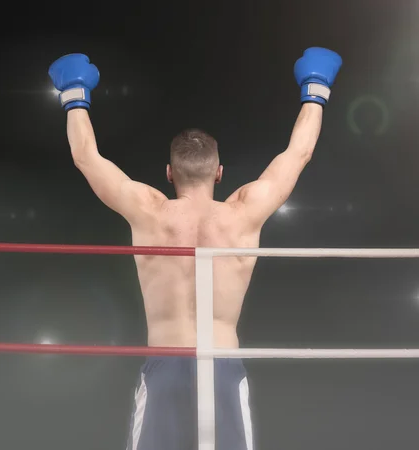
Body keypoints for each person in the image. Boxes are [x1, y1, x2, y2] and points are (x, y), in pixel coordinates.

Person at [48, 48, 342, 450]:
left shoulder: (149, 211)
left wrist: (74, 93)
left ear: (169, 174)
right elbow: (299, 153)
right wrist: (316, 88)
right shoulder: (243, 213)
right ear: (219, 173)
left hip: (165, 367)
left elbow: (85, 156)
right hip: (223, 368)